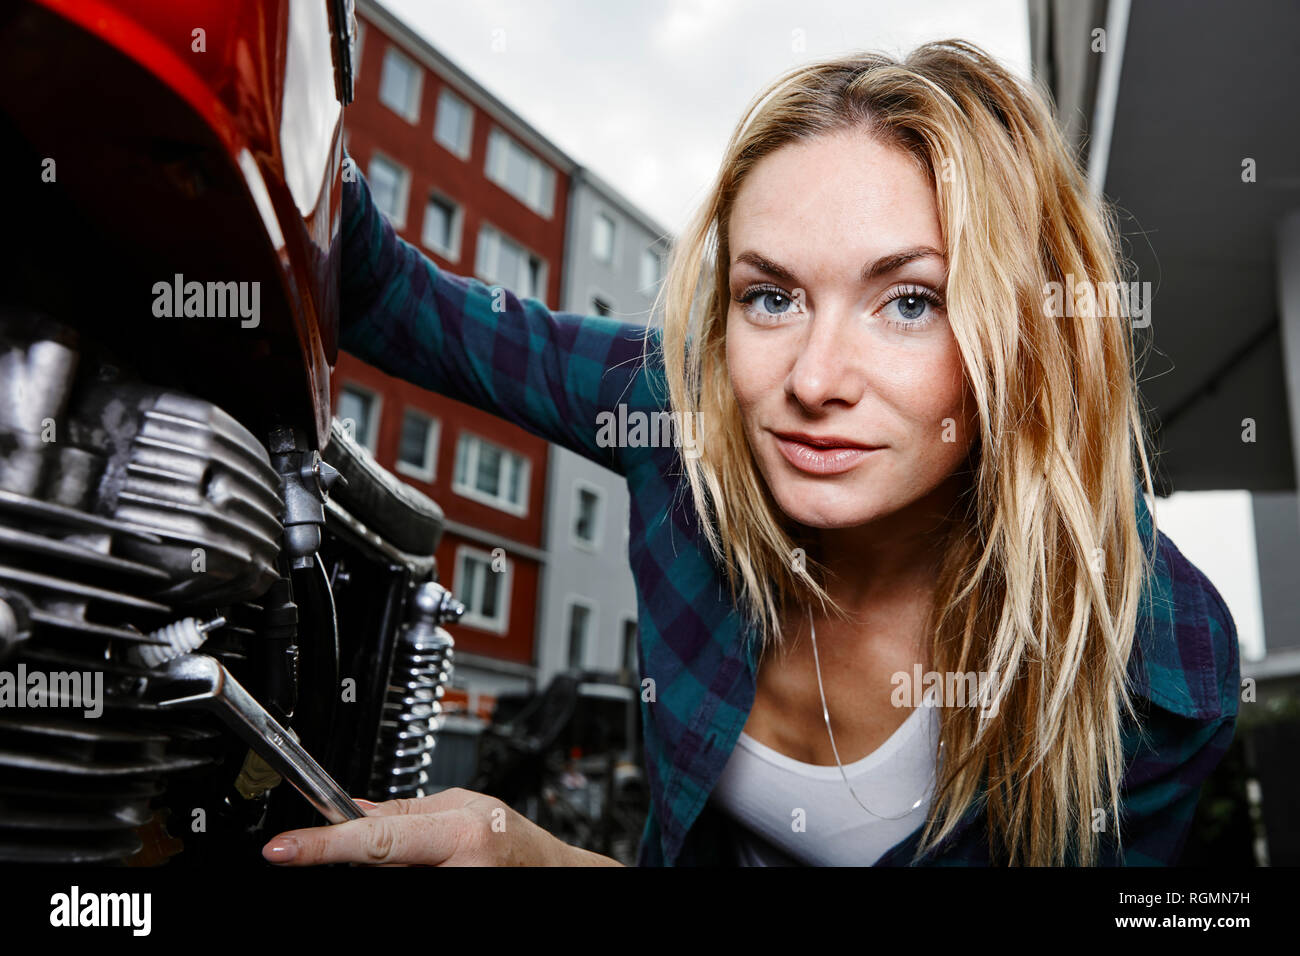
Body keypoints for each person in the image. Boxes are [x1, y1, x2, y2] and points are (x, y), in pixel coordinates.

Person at [261, 39, 1239, 867]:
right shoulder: (681, 407)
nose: (813, 379)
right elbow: (393, 298)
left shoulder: (1157, 663)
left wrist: (538, 859)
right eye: (770, 296)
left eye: (909, 300)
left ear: (1025, 338)